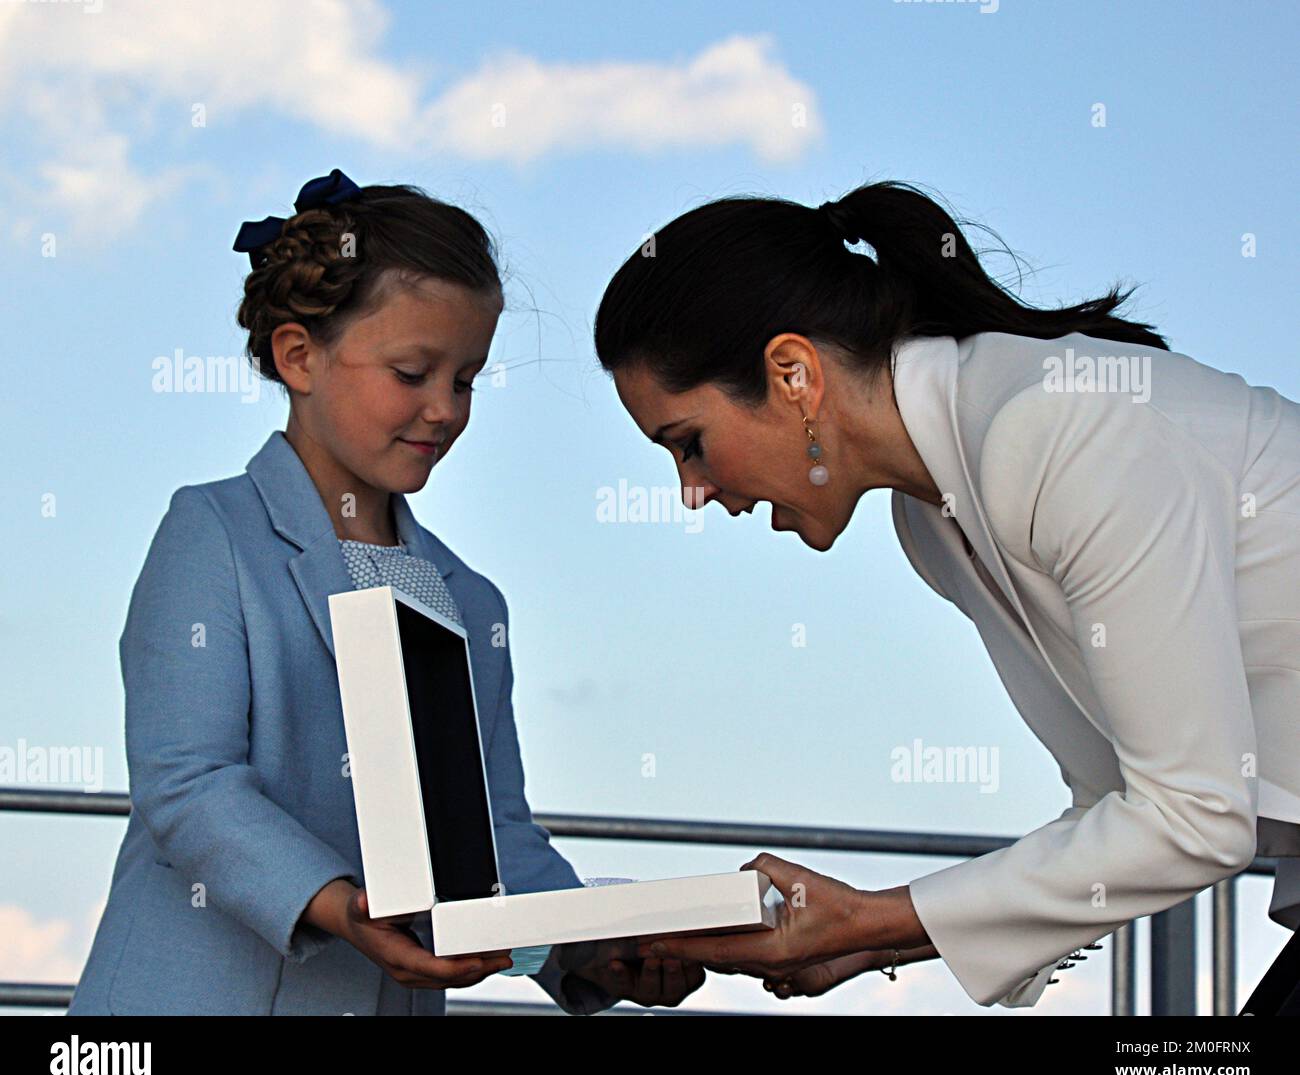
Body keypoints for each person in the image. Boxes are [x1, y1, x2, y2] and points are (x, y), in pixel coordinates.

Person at [593, 180, 1300, 1012]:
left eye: (689, 443)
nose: (693, 490)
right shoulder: (933, 520)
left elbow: (1193, 816)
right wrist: (867, 940)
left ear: (792, 373)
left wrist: (862, 919)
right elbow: (1116, 807)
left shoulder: (1058, 431)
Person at [67, 169, 704, 1016]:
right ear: (298, 356)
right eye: (413, 372)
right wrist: (341, 904)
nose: (444, 408)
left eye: (467, 379)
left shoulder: (471, 600)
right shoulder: (211, 533)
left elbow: (495, 834)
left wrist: (587, 952)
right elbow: (188, 782)